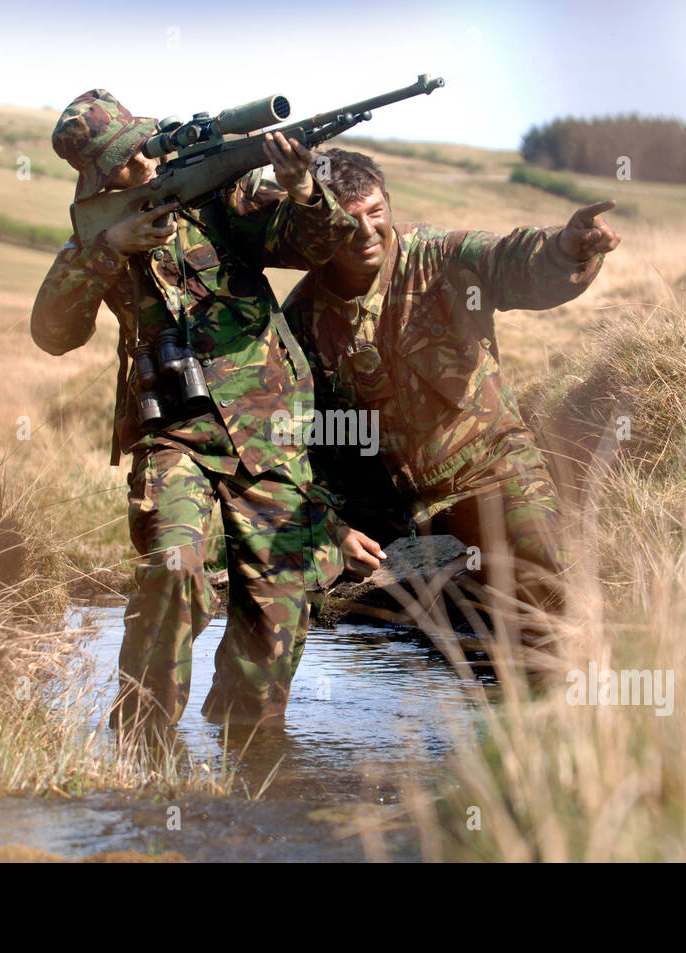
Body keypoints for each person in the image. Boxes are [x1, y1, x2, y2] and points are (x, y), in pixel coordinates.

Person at [30, 91, 357, 731]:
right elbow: (52, 332)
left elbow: (322, 245)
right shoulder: (102, 229)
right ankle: (141, 744)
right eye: (123, 165)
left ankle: (247, 757)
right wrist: (109, 250)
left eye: (143, 152)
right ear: (98, 180)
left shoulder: (220, 198)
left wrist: (303, 189)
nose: (143, 168)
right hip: (172, 429)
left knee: (278, 600)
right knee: (172, 567)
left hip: (267, 429)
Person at [282, 148, 620, 640]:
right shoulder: (301, 316)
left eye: (375, 213)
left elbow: (512, 261)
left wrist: (566, 249)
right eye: (347, 220)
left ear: (389, 204)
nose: (365, 232)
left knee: (552, 579)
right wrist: (328, 528)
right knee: (284, 582)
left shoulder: (441, 258)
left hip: (486, 472)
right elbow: (292, 440)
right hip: (380, 509)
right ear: (320, 223)